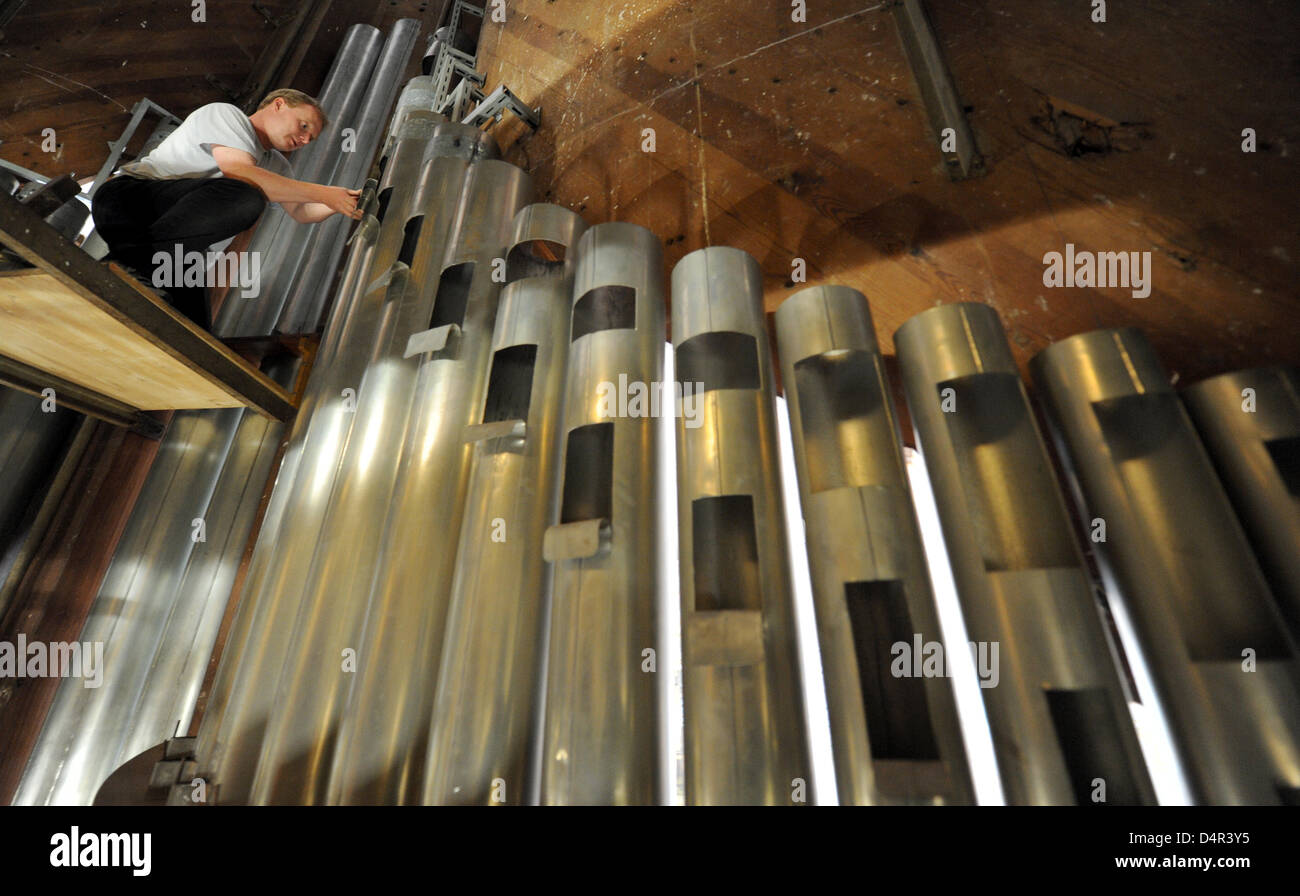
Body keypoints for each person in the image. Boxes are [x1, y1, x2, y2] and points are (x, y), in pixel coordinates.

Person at [91, 88, 363, 330]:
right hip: (131, 203)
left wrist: (343, 202)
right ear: (278, 105)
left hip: (176, 246)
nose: (304, 140)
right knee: (247, 197)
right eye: (303, 126)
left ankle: (134, 270)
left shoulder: (277, 165)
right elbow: (239, 173)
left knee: (191, 334)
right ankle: (126, 265)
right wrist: (326, 193)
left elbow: (302, 212)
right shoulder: (227, 116)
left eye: (310, 138)